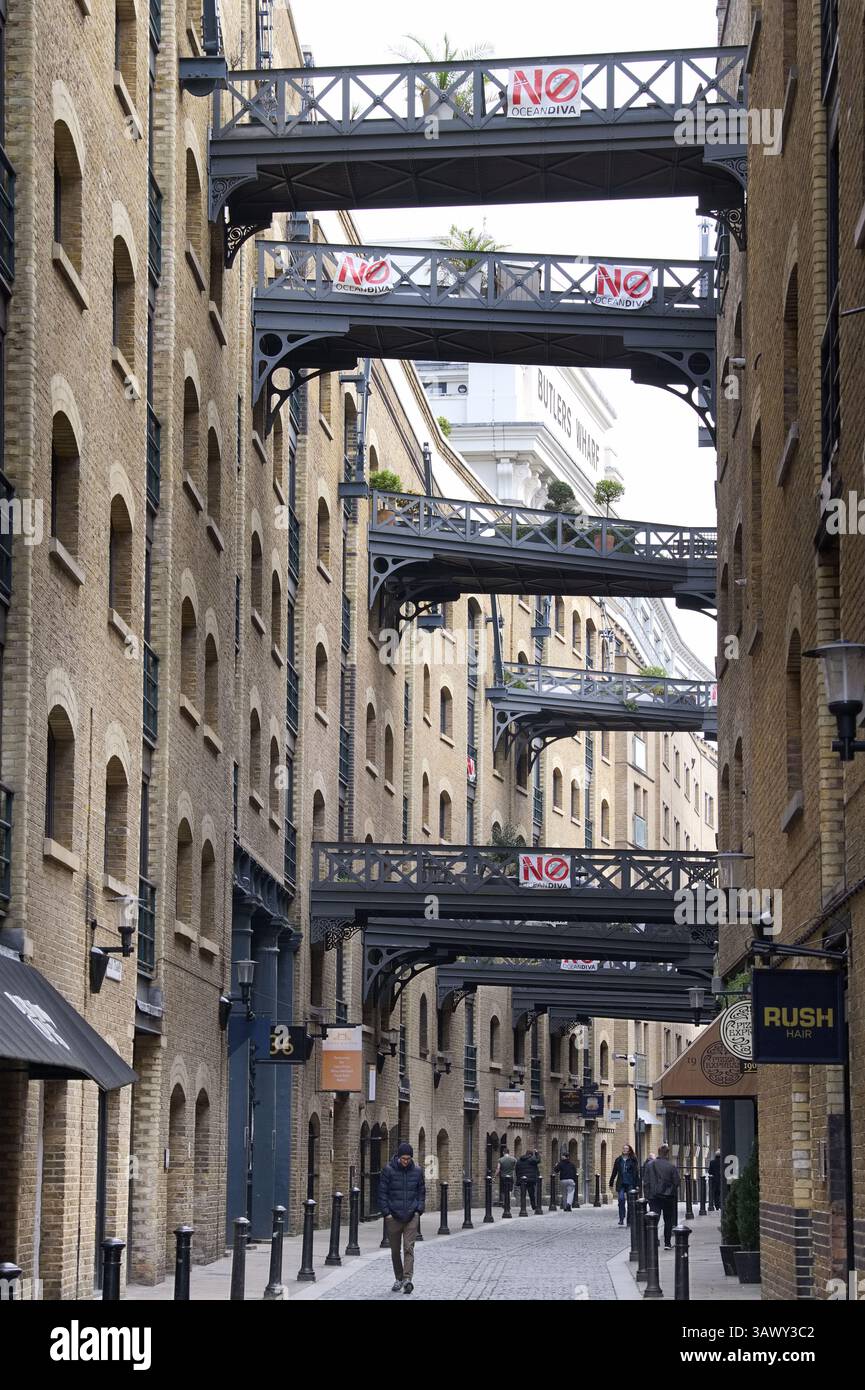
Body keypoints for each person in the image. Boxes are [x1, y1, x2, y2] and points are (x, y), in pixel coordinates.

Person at [378, 1141, 425, 1294]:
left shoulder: (417, 1171)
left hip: (411, 1216)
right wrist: (387, 1214)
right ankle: (398, 1278)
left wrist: (418, 1210)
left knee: (409, 1248)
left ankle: (407, 1279)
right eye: (403, 1159)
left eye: (408, 1159)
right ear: (398, 1157)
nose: (406, 1161)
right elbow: (382, 1193)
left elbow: (421, 1192)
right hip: (394, 1217)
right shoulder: (388, 1170)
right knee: (394, 1250)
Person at [643, 1143, 680, 1249]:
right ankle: (667, 1243)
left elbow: (646, 1182)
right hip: (668, 1197)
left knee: (654, 1219)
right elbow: (676, 1182)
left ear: (658, 1152)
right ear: (667, 1153)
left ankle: (654, 1240)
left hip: (654, 1197)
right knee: (668, 1220)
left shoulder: (649, 1165)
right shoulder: (671, 1166)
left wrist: (647, 1196)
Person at [609, 1144, 640, 1225]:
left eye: (626, 1148)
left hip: (630, 1183)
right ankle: (621, 1218)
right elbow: (614, 1172)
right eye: (623, 1148)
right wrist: (611, 1182)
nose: (624, 1149)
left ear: (629, 1150)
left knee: (630, 1202)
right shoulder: (618, 1160)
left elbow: (636, 1173)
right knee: (621, 1200)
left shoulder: (633, 1160)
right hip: (621, 1183)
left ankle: (629, 1220)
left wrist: (637, 1184)